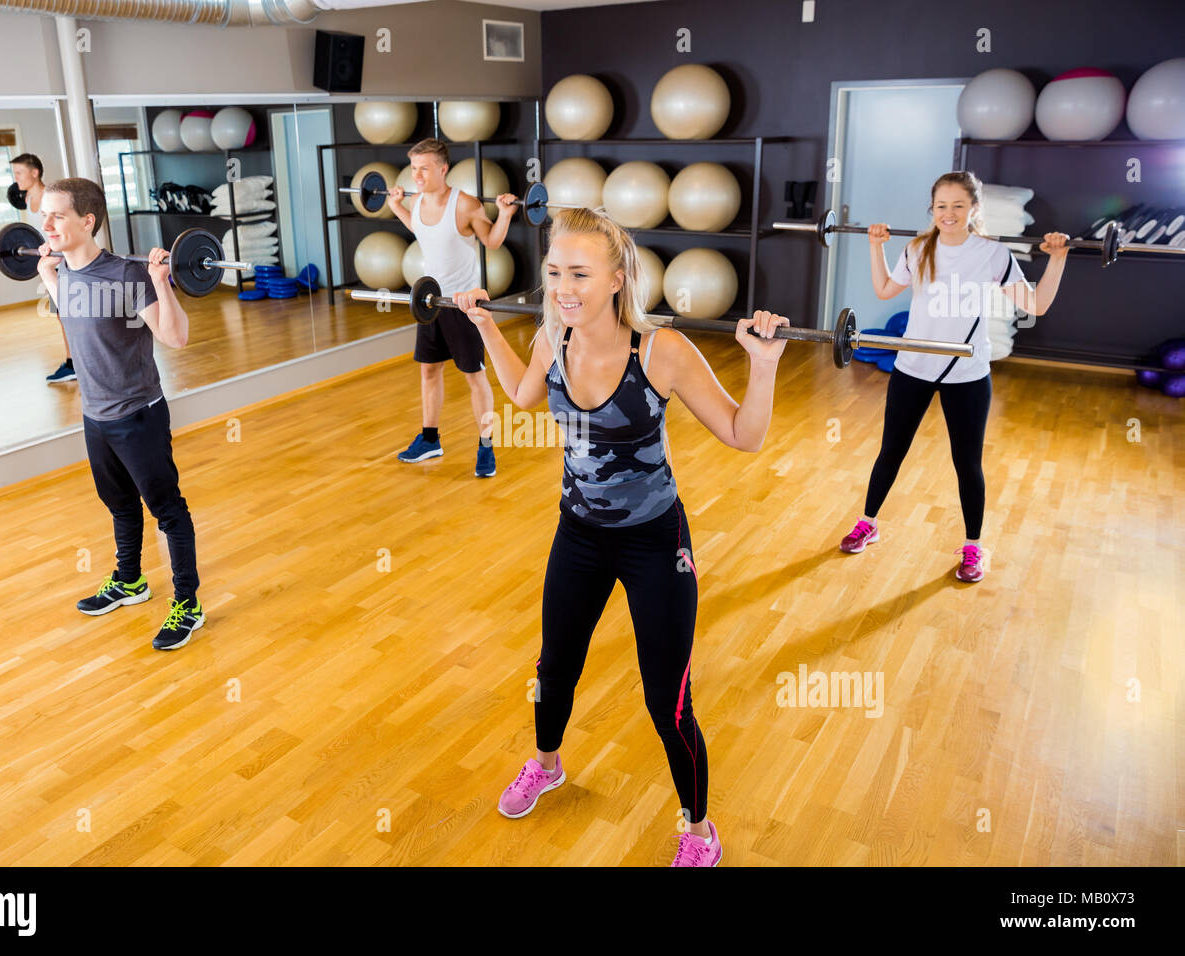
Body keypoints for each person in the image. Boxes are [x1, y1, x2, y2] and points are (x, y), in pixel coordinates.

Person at [453, 207, 788, 866]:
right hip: (577, 532)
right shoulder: (553, 337)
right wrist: (486, 326)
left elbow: (744, 436)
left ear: (616, 278)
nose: (563, 287)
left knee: (668, 699)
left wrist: (765, 364)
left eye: (578, 273)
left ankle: (698, 830)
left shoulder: (662, 351)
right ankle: (546, 764)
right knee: (555, 669)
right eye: (554, 273)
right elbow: (522, 396)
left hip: (655, 542)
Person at [840, 170, 1070, 582]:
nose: (949, 213)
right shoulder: (916, 249)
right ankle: (868, 522)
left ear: (973, 209)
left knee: (967, 463)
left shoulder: (993, 254)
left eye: (958, 206)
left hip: (967, 371)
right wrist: (876, 247)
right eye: (941, 206)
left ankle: (973, 547)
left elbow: (1035, 306)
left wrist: (1058, 260)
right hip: (913, 366)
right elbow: (884, 291)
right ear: (932, 209)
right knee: (891, 451)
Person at [36, 177, 205, 650]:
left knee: (167, 511)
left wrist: (160, 283)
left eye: (57, 216)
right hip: (95, 417)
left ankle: (188, 605)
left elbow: (176, 339)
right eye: (44, 215)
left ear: (87, 222)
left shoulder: (128, 275)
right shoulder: (64, 273)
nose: (45, 224)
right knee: (119, 505)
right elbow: (67, 305)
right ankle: (130, 581)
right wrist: (48, 272)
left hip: (138, 415)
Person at [385, 139, 518, 478]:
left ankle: (486, 446)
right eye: (414, 168)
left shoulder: (465, 205)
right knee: (428, 371)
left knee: (474, 376)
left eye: (424, 168)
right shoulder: (416, 202)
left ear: (443, 169)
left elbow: (492, 241)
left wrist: (504, 214)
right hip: (431, 302)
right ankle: (430, 439)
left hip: (462, 304)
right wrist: (397, 206)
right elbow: (420, 229)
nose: (417, 175)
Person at [13, 153, 75, 385]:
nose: (15, 178)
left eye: (19, 172)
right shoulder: (29, 198)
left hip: (63, 259)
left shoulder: (51, 198)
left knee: (68, 313)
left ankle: (74, 364)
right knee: (61, 314)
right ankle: (74, 361)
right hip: (50, 260)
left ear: (35, 173)